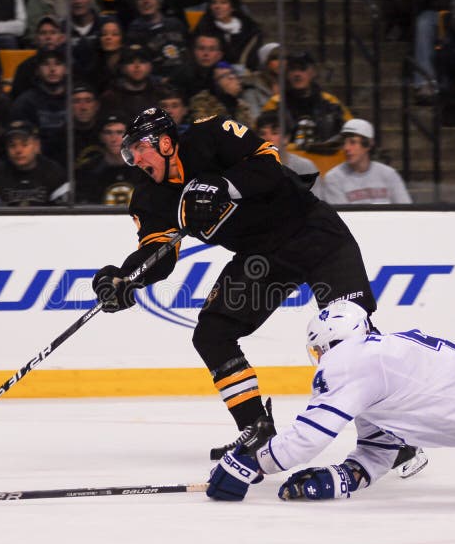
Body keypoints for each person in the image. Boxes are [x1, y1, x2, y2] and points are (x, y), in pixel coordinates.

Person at [92, 107, 421, 468]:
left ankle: (391, 435)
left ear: (166, 142)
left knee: (352, 331)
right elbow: (159, 253)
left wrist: (222, 185)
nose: (135, 159)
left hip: (311, 231)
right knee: (212, 334)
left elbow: (267, 163)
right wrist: (126, 278)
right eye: (129, 152)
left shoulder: (211, 133)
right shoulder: (148, 198)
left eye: (139, 147)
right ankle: (256, 428)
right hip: (261, 258)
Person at [206, 300, 455, 502]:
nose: (321, 362)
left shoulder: (351, 359)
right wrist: (343, 478)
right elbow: (379, 447)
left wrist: (250, 464)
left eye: (319, 352)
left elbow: (309, 437)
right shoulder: (375, 373)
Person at [311, 119, 412, 205]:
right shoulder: (334, 178)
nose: (346, 148)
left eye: (352, 142)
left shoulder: (389, 174)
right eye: (344, 143)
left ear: (368, 144)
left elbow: (406, 210)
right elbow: (342, 219)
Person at [0, 119, 69, 206]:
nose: (18, 150)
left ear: (37, 146)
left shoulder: (55, 173)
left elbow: (65, 214)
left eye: (24, 144)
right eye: (12, 145)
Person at [75, 113, 144, 204]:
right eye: (108, 132)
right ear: (101, 137)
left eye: (119, 132)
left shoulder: (143, 168)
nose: (114, 139)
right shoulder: (88, 170)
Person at [192, 0, 262, 72]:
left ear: (232, 6)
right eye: (214, 2)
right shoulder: (203, 29)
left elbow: (253, 61)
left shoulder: (251, 30)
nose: (217, 6)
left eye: (223, 2)